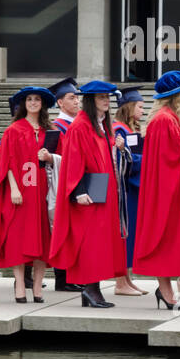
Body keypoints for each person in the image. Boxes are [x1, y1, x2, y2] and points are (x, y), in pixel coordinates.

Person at [49, 80, 127, 309]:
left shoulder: (100, 125)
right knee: (90, 243)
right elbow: (74, 160)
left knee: (100, 243)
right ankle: (90, 289)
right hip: (89, 193)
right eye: (102, 97)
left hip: (102, 189)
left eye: (108, 97)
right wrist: (79, 191)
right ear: (91, 100)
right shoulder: (80, 126)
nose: (106, 101)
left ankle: (91, 290)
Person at [133, 71, 180, 310]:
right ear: (177, 95)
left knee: (170, 239)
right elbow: (167, 161)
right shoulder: (164, 119)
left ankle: (166, 290)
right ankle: (165, 290)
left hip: (170, 188)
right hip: (164, 191)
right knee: (164, 237)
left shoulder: (169, 117)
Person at [0, 86, 56, 303]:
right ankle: (19, 287)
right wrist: (14, 188)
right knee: (18, 239)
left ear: (43, 104)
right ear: (23, 104)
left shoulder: (49, 131)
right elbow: (6, 161)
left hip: (42, 191)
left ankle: (37, 288)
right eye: (29, 99)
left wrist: (49, 157)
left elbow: (60, 159)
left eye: (37, 99)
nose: (33, 103)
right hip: (21, 193)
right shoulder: (14, 130)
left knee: (43, 240)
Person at [47, 76, 82, 293]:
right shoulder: (56, 127)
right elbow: (49, 160)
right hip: (61, 188)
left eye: (77, 97)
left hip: (78, 186)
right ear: (60, 102)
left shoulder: (78, 125)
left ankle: (74, 274)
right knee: (62, 231)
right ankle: (63, 277)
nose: (77, 101)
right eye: (72, 98)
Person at [111, 86, 147, 296]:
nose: (142, 110)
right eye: (140, 106)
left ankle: (127, 279)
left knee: (130, 234)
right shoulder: (118, 129)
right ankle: (119, 282)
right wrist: (148, 158)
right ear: (129, 106)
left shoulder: (130, 128)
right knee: (123, 233)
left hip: (133, 188)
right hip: (123, 188)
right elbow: (122, 159)